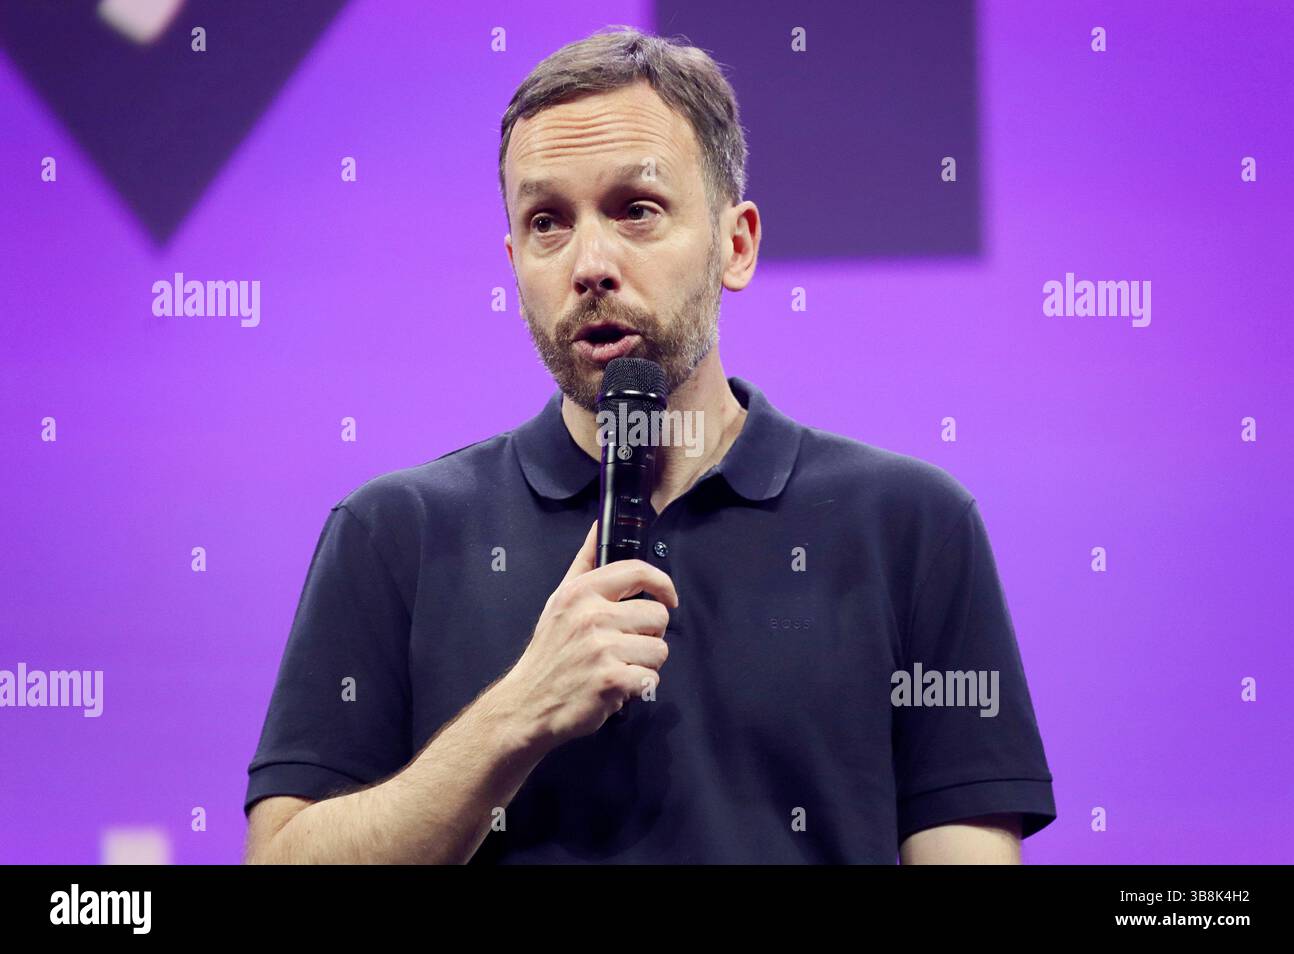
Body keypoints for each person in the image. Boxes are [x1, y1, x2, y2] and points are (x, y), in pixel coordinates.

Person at [242, 25, 1055, 864]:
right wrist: (515, 715)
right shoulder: (393, 533)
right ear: (514, 261)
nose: (590, 262)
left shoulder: (912, 526)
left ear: (735, 245)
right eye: (548, 222)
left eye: (636, 209)